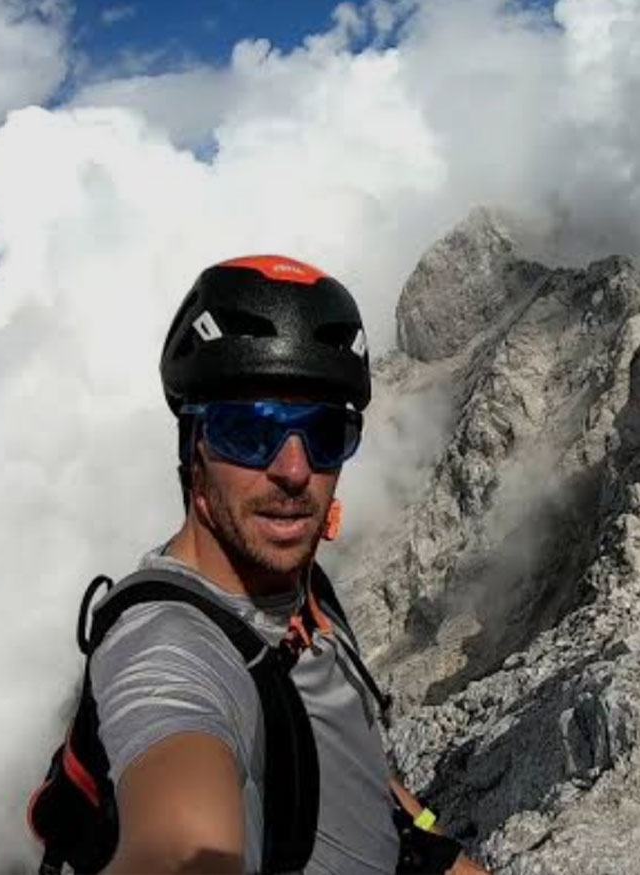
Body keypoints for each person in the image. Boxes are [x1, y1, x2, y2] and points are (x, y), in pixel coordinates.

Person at [92, 254, 489, 874]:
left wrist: (434, 846)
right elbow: (180, 839)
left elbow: (345, 765)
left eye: (326, 433)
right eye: (250, 432)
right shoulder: (166, 648)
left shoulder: (301, 587)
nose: (295, 471)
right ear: (194, 449)